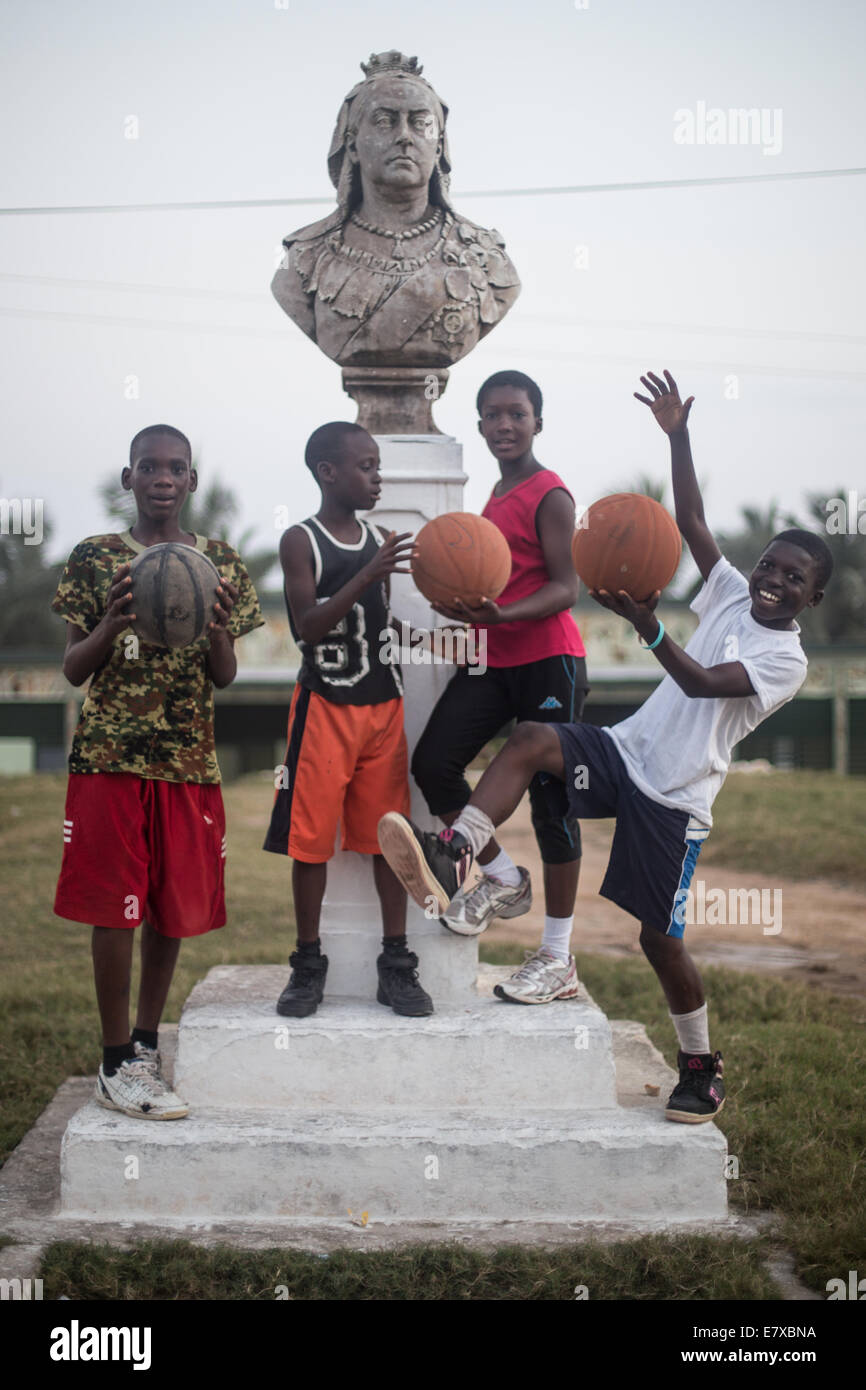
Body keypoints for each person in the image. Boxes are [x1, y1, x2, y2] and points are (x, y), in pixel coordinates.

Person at [379, 369, 832, 1123]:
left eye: (794, 577)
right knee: (528, 743)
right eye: (769, 566)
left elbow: (699, 683)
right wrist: (678, 435)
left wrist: (648, 626)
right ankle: (456, 852)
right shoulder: (727, 591)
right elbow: (688, 520)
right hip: (624, 750)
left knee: (660, 942)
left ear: (813, 597)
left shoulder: (787, 660)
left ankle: (699, 1063)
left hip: (676, 792)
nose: (773, 580)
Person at [52, 424, 264, 1120]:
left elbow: (225, 677)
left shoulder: (222, 563)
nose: (163, 477)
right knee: (116, 904)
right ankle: (114, 1061)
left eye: (176, 467)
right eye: (150, 467)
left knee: (169, 909)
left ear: (193, 480)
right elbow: (74, 669)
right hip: (111, 756)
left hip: (187, 758)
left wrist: (219, 629)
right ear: (129, 478)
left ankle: (145, 1042)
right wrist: (111, 626)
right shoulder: (95, 559)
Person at [409, 369, 589, 1004]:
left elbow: (569, 588)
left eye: (517, 413)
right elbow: (492, 580)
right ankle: (502, 877)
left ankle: (558, 957)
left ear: (538, 420)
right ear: (480, 423)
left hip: (548, 660)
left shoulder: (551, 494)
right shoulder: (494, 493)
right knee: (434, 762)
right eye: (492, 415)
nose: (504, 425)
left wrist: (502, 615)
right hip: (491, 657)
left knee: (551, 806)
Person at [263, 421, 434, 1019]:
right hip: (325, 708)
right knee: (310, 844)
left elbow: (385, 624)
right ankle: (308, 964)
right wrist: (368, 574)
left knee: (387, 839)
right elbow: (307, 626)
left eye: (378, 465)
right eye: (365, 466)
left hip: (382, 707)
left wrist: (460, 630)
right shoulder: (300, 540)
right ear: (326, 472)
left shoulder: (380, 537)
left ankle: (396, 964)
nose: (377, 476)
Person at [271, 51, 520, 371]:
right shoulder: (302, 260)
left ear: (439, 145)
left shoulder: (486, 257)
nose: (404, 136)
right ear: (351, 145)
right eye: (385, 121)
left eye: (420, 123)